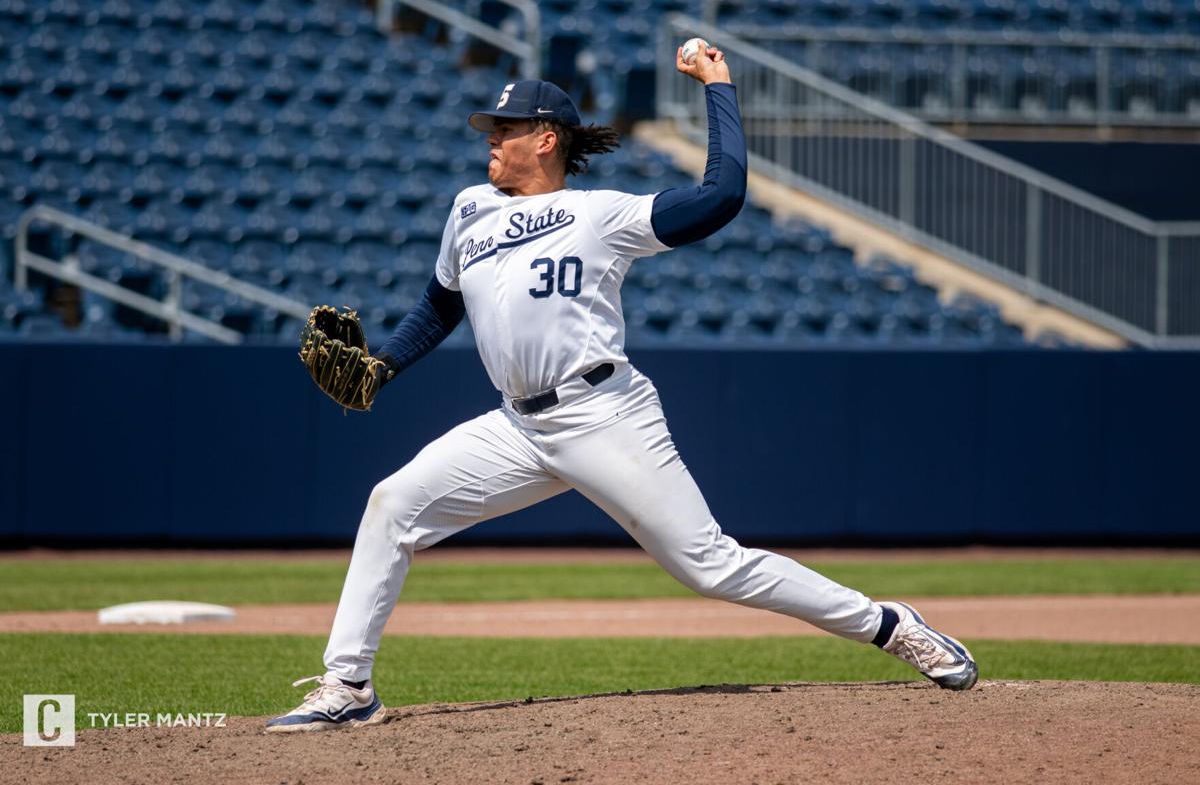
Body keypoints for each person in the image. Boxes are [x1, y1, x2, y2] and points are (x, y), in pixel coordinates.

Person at [265, 42, 978, 734]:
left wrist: (717, 87)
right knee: (392, 503)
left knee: (712, 566)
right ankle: (349, 685)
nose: (490, 138)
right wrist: (383, 366)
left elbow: (721, 195)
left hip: (603, 414)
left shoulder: (600, 215)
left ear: (545, 140)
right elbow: (440, 303)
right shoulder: (468, 210)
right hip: (515, 427)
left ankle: (889, 626)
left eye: (505, 129)